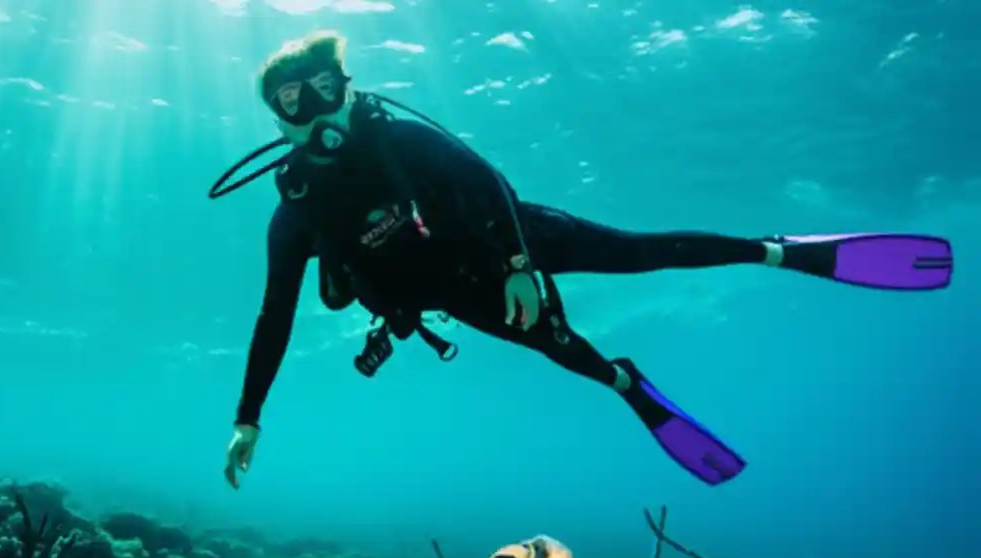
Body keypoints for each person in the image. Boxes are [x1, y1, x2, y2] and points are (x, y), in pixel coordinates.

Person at [210, 30, 954, 489]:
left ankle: (775, 252)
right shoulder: (298, 212)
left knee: (636, 253)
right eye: (294, 100)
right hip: (458, 292)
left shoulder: (402, 140)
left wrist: (518, 264)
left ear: (349, 89)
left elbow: (485, 182)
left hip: (514, 240)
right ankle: (626, 383)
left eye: (326, 89)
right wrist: (249, 418)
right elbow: (273, 313)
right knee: (564, 350)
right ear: (278, 119)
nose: (317, 109)